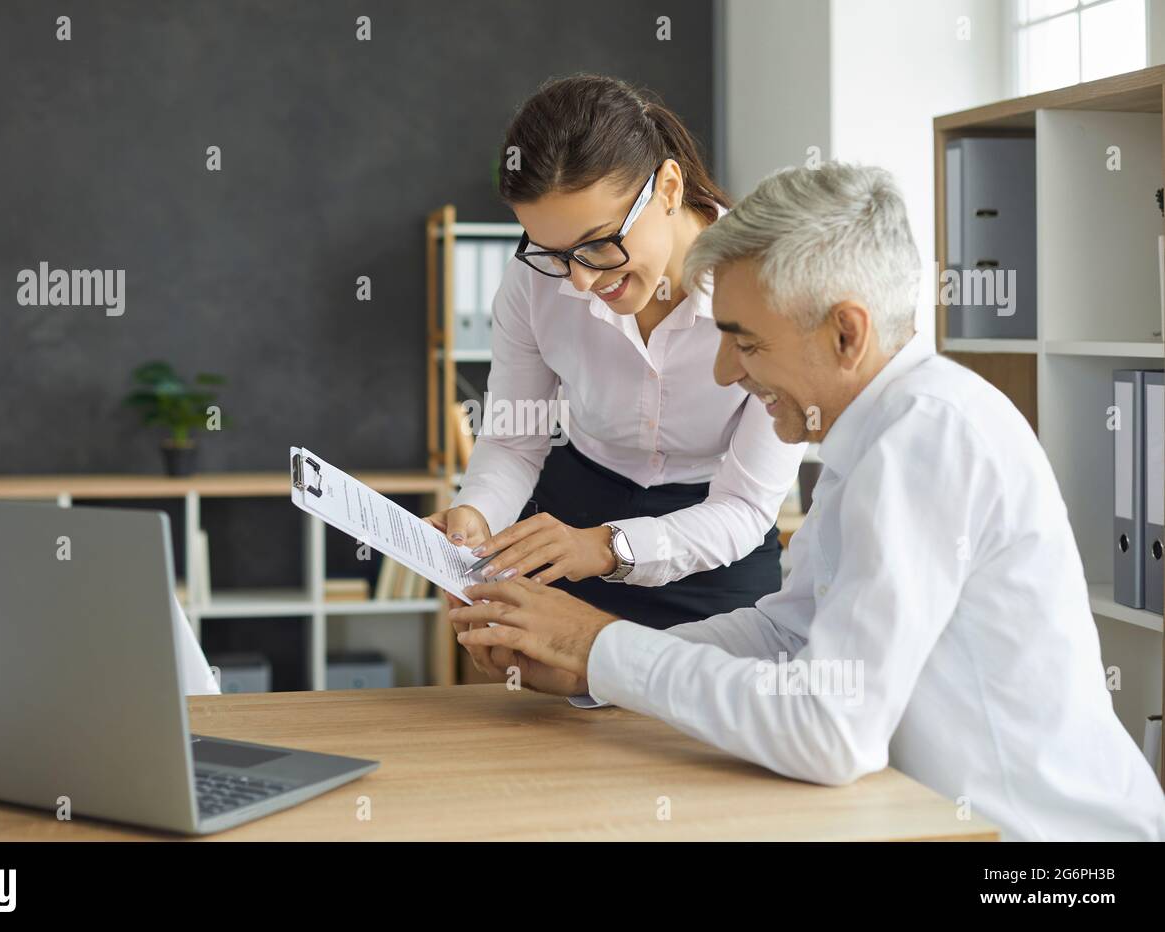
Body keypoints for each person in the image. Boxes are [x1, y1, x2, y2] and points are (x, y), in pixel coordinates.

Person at [449, 162, 1165, 841]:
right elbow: (786, 636)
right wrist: (588, 670)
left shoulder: (928, 439)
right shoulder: (879, 435)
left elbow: (832, 729)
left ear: (846, 334)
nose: (728, 373)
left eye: (746, 343)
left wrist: (597, 646)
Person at [427, 74, 805, 634]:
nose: (578, 281)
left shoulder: (768, 287)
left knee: (709, 706)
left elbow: (748, 508)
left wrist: (607, 547)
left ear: (669, 189)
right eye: (553, 253)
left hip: (717, 536)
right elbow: (513, 438)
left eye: (600, 242)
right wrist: (476, 514)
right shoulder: (533, 284)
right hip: (566, 521)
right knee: (542, 705)